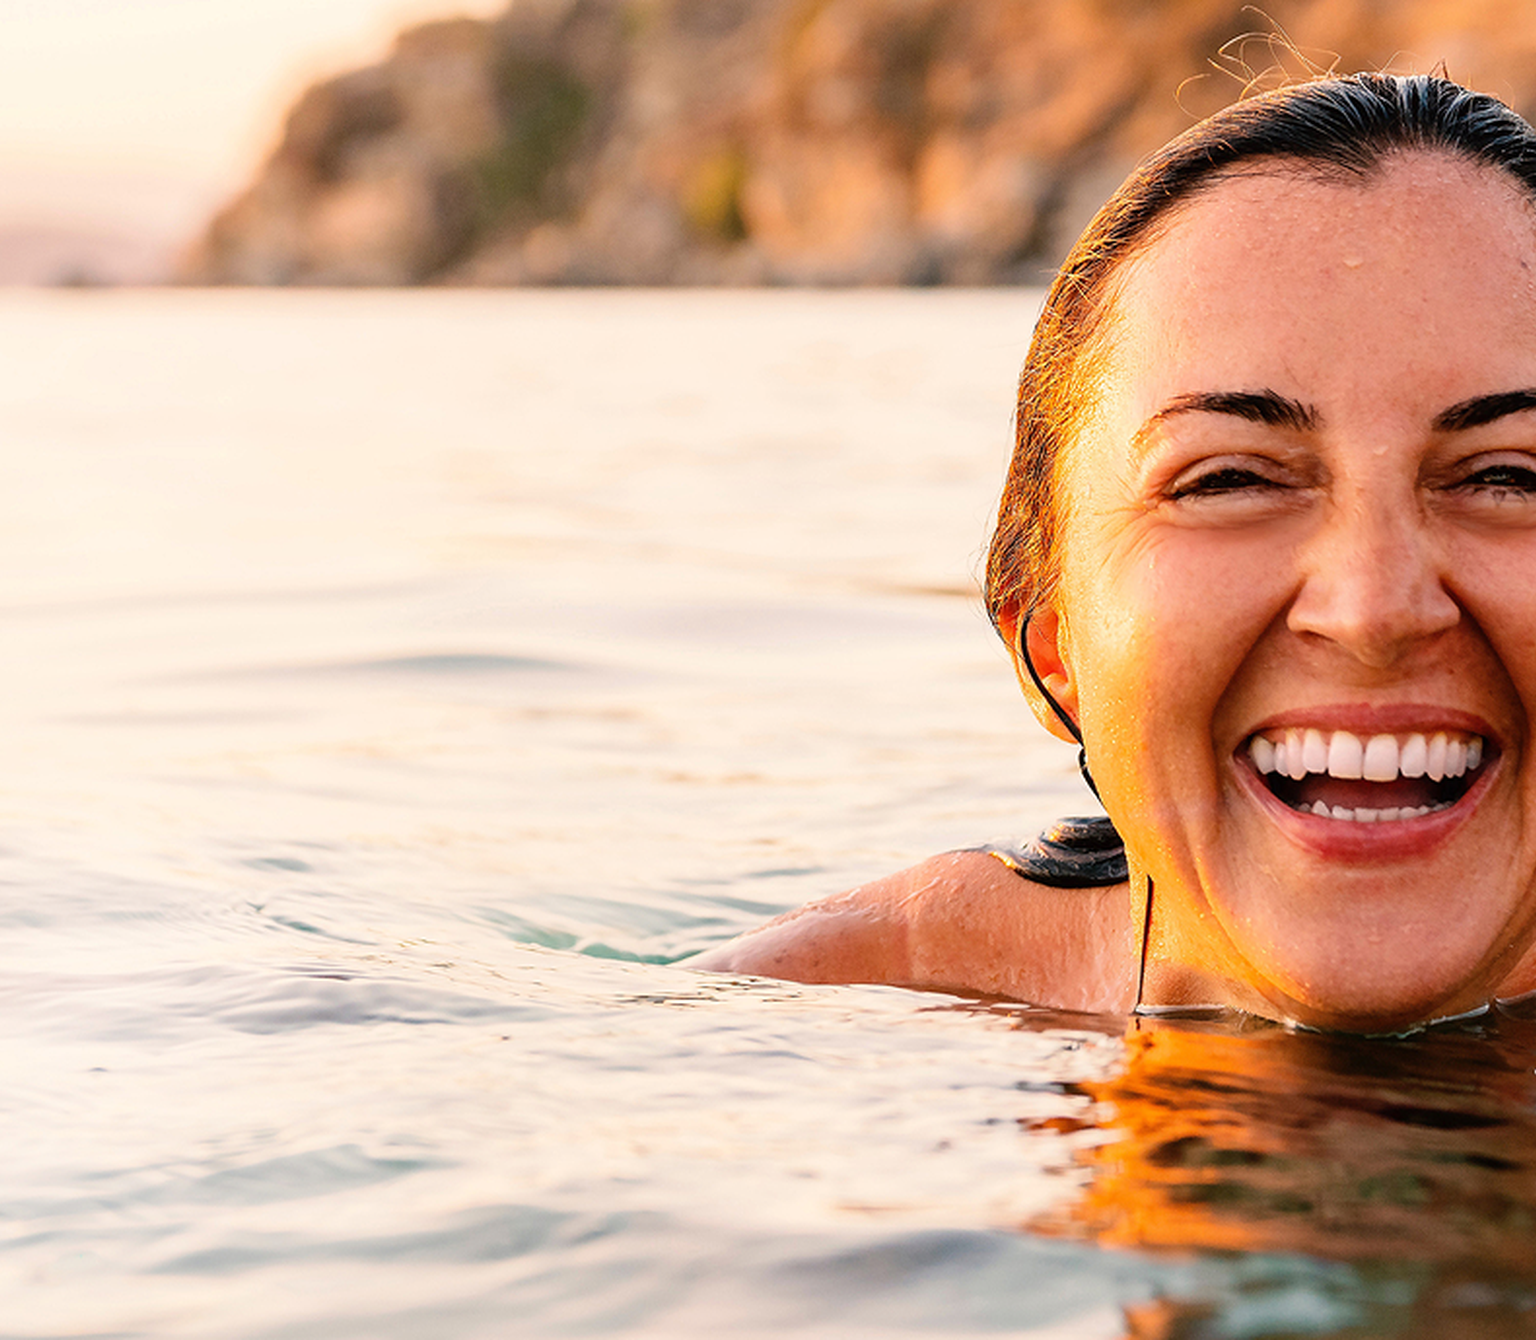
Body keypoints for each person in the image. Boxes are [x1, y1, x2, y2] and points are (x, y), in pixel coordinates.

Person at [692, 71, 1536, 1034]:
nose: (1374, 609)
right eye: (1229, 481)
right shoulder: (827, 1013)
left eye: (1509, 477)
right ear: (1052, 647)